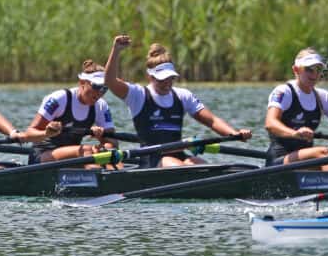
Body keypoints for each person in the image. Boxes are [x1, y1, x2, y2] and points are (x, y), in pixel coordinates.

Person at [103, 35, 252, 168]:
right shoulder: (138, 95)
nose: (167, 83)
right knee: (182, 167)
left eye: (171, 78)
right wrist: (116, 50)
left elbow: (211, 121)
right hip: (151, 159)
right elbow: (109, 81)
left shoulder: (182, 95)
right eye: (162, 79)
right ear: (150, 77)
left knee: (203, 166)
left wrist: (234, 133)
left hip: (179, 155)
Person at [264, 48, 328, 169]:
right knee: (322, 153)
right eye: (309, 69)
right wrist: (295, 134)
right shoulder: (284, 91)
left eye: (318, 69)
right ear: (296, 70)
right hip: (280, 161)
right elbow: (270, 124)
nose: (314, 74)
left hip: (307, 160)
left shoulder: (323, 97)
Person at [23, 60, 119, 167]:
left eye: (104, 88)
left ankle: (119, 178)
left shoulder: (101, 106)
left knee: (111, 153)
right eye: (96, 86)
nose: (100, 92)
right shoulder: (59, 99)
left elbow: (113, 143)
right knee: (86, 150)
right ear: (82, 82)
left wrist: (100, 138)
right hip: (43, 156)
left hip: (74, 157)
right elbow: (28, 134)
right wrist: (46, 133)